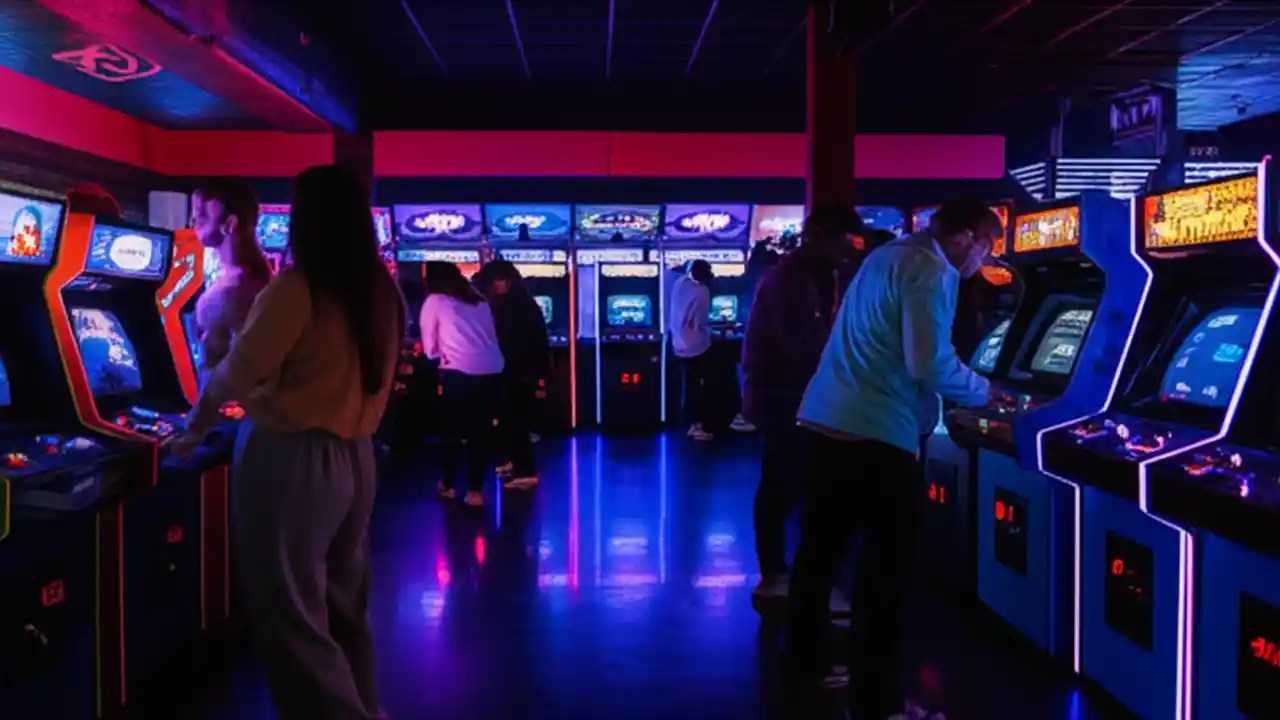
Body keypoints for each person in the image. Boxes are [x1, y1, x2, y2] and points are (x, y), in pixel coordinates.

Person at [168, 165, 404, 720]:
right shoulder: (380, 291)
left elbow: (238, 372)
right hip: (356, 457)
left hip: (293, 456)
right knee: (343, 609)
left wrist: (196, 424)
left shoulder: (298, 288)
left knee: (291, 616)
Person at [782, 198, 999, 720]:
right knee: (886, 576)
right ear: (967, 237)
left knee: (819, 557)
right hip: (875, 431)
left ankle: (806, 668)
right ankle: (878, 704)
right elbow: (927, 361)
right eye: (989, 245)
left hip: (827, 417)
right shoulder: (931, 268)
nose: (986, 258)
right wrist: (989, 392)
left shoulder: (893, 254)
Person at [742, 204, 864, 601]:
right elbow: (801, 347)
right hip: (785, 397)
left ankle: (787, 574)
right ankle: (779, 575)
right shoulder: (791, 279)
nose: (848, 253)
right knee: (785, 484)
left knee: (788, 483)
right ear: (821, 236)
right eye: (845, 243)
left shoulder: (811, 276)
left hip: (791, 395)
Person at [420, 261, 504, 506]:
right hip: (490, 370)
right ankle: (475, 491)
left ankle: (447, 485)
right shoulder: (479, 300)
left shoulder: (435, 301)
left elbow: (430, 348)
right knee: (480, 432)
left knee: (452, 432)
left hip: (459, 371)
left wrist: (438, 354)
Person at [474, 258, 551, 490]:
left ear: (505, 281)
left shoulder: (517, 305)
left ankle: (526, 471)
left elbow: (519, 342)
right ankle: (514, 462)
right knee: (509, 420)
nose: (490, 287)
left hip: (519, 371)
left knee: (516, 421)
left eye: (494, 282)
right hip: (516, 370)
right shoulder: (517, 301)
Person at [189, 179, 274, 380]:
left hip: (226, 406)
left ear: (230, 224)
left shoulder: (234, 291)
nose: (194, 222)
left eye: (202, 216)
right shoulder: (252, 279)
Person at [669, 259, 715, 441]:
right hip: (696, 346)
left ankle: (688, 423)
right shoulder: (702, 291)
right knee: (697, 387)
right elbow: (699, 323)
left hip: (678, 343)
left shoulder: (680, 284)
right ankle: (696, 426)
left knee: (688, 386)